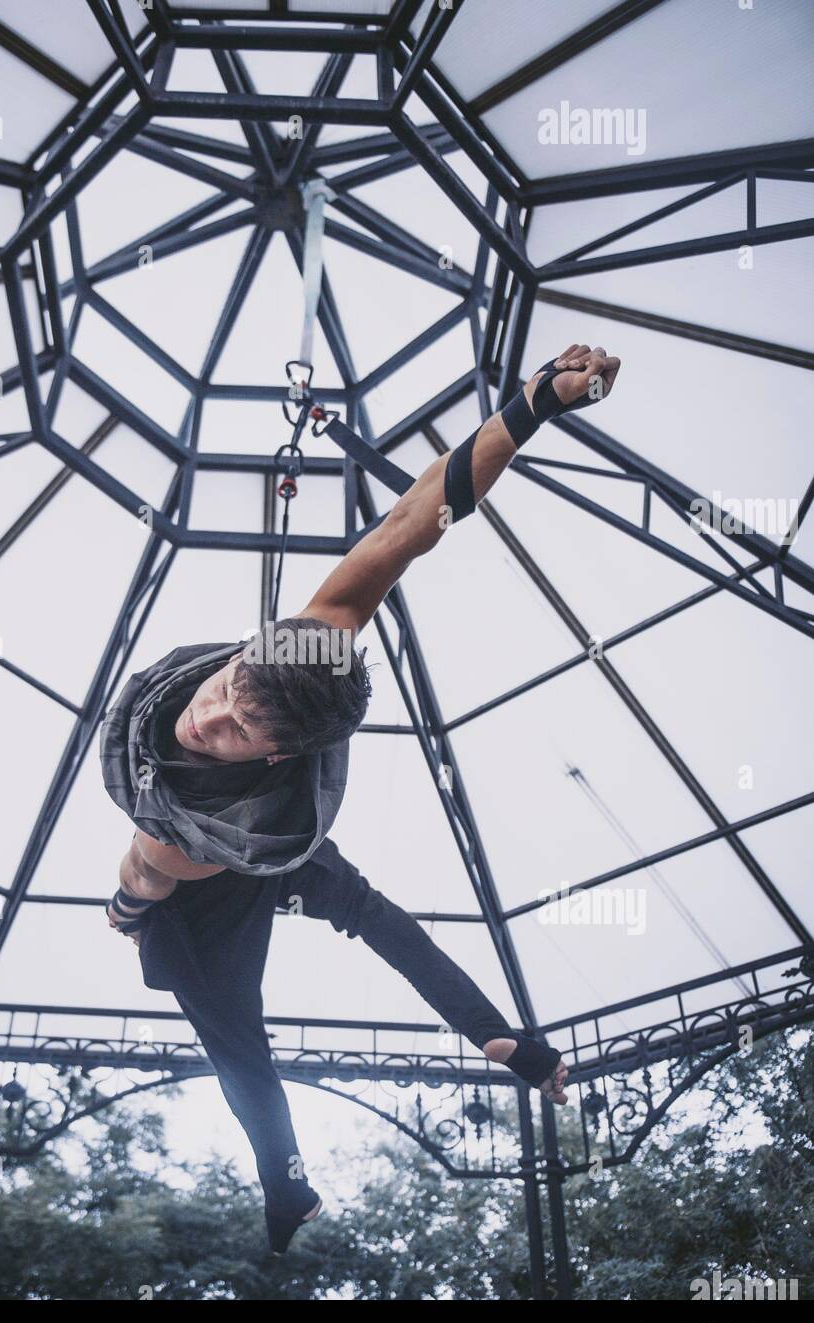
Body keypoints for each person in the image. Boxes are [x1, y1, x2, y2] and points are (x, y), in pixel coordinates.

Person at [99, 344, 621, 1252]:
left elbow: (147, 868)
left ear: (274, 759)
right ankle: (293, 1178)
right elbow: (423, 514)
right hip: (225, 844)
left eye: (232, 732)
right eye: (224, 689)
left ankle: (494, 1041)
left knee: (270, 988)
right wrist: (536, 401)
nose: (205, 719)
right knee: (248, 1013)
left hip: (216, 860)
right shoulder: (314, 637)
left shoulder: (202, 829)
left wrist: (128, 909)